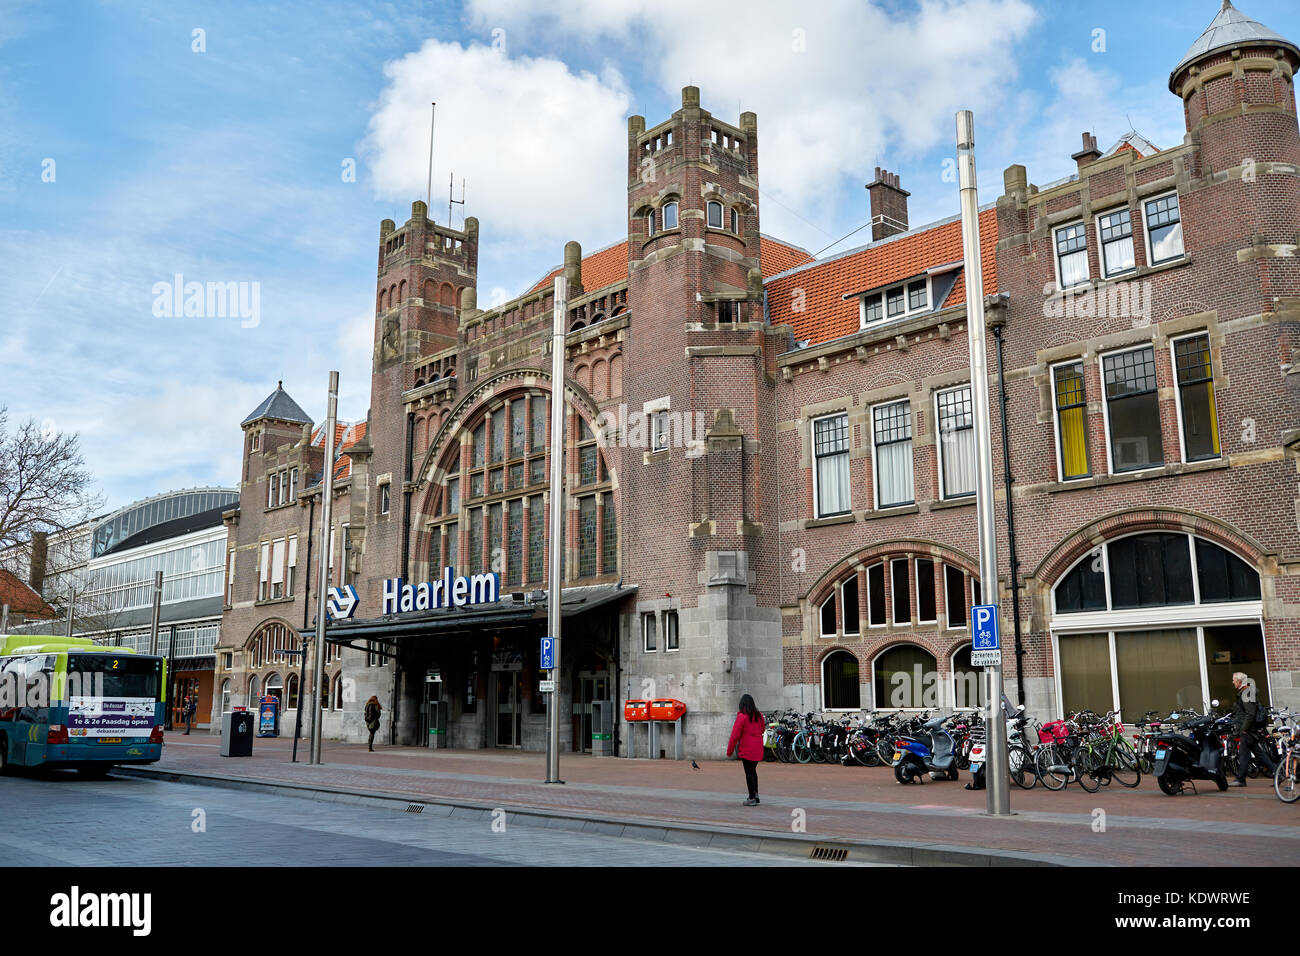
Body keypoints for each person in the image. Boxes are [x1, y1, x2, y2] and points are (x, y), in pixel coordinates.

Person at [1228, 673, 1275, 787]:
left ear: (1239, 682)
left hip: (1248, 729)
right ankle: (1278, 772)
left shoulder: (1246, 694)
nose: (1233, 682)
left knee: (1243, 754)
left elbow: (1250, 713)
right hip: (1249, 729)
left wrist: (1244, 729)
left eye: (1234, 680)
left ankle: (1241, 779)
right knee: (1258, 753)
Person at [725, 694, 765, 806]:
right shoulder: (759, 716)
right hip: (758, 747)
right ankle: (755, 794)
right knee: (753, 771)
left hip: (747, 748)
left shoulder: (742, 717)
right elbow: (762, 729)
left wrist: (729, 751)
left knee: (749, 773)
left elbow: (735, 735)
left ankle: (751, 797)